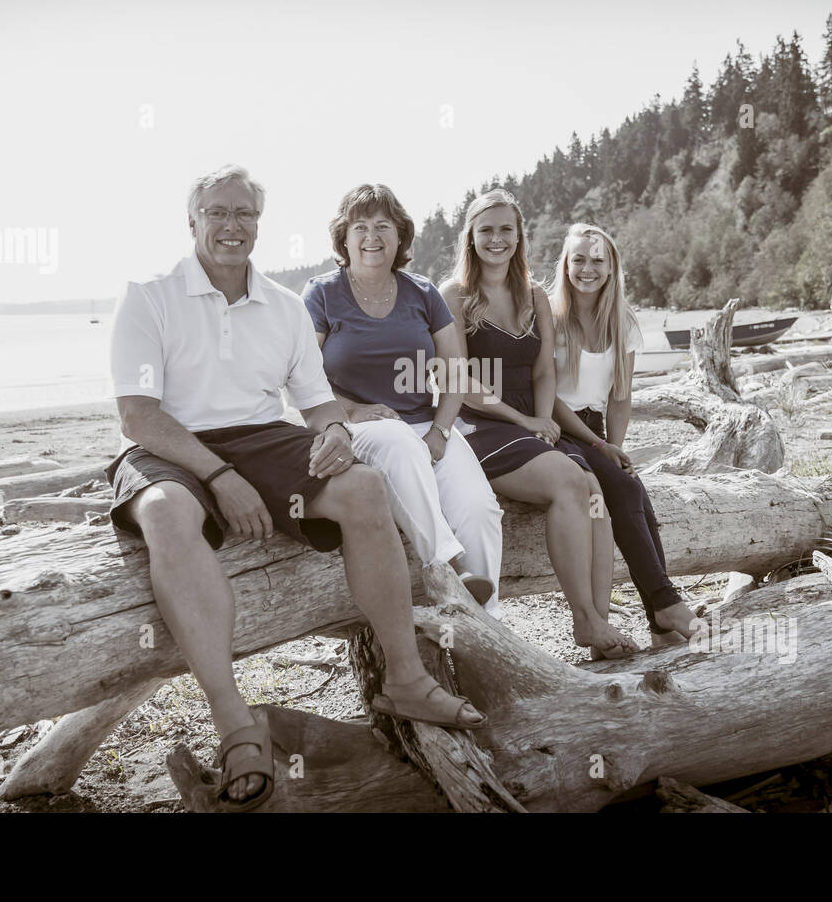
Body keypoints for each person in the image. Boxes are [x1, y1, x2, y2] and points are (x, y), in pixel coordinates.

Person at [105, 164, 487, 813]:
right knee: (169, 512)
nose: (232, 226)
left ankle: (406, 677)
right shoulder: (149, 295)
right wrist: (219, 478)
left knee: (364, 488)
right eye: (218, 213)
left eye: (245, 214)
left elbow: (314, 404)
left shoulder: (283, 306)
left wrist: (335, 431)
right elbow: (137, 415)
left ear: (259, 222)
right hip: (165, 443)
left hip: (262, 437)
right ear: (192, 221)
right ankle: (234, 725)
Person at [439, 189, 637, 658]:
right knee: (572, 482)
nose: (497, 239)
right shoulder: (454, 295)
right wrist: (523, 419)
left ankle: (600, 625)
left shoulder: (534, 294)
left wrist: (544, 418)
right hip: (480, 424)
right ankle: (584, 621)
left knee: (595, 491)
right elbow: (460, 379)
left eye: (507, 229)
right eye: (486, 229)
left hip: (532, 420)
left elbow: (544, 368)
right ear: (470, 236)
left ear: (519, 235)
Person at [302, 184, 504, 612]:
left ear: (400, 237)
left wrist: (441, 430)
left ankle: (488, 627)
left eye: (382, 226)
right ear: (344, 237)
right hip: (354, 426)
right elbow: (301, 374)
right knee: (397, 443)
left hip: (423, 424)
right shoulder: (321, 293)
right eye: (361, 227)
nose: (372, 236)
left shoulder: (423, 292)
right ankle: (450, 568)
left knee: (479, 507)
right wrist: (353, 409)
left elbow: (454, 371)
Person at [547, 223, 700, 646]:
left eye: (598, 260)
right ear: (565, 264)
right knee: (624, 490)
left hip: (594, 428)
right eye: (578, 259)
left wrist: (616, 446)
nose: (587, 268)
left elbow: (620, 396)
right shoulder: (549, 316)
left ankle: (660, 620)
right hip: (557, 428)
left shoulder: (623, 321)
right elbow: (548, 396)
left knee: (634, 493)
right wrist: (600, 447)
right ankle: (666, 607)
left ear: (612, 267)